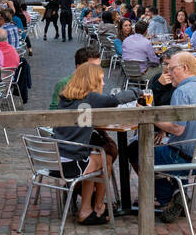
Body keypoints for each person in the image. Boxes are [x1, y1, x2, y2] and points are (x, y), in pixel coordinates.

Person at [126, 52, 196, 222]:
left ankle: (168, 199)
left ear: (184, 68)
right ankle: (178, 194)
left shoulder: (181, 92)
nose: (168, 72)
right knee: (157, 148)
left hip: (185, 158)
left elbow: (177, 129)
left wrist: (151, 116)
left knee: (139, 153)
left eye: (172, 68)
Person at [54, 63, 138, 225]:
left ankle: (91, 204)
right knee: (105, 160)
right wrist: (138, 91)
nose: (104, 84)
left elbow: (81, 121)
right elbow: (116, 100)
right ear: (91, 81)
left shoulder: (65, 98)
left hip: (55, 161)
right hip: (71, 164)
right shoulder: (90, 98)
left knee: (99, 155)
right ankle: (94, 207)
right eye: (100, 80)